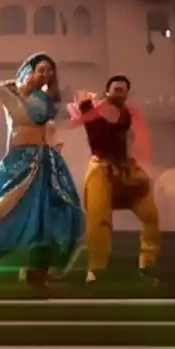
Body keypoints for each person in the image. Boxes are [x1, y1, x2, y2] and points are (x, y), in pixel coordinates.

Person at [0, 42, 85, 293]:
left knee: (48, 214)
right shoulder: (9, 91)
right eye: (41, 70)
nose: (46, 75)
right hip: (18, 161)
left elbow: (39, 120)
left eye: (50, 72)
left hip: (44, 161)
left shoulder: (45, 99)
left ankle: (38, 271)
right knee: (1, 208)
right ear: (30, 70)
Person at [65, 74, 161, 284]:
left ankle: (148, 264)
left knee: (150, 215)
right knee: (99, 218)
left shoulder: (126, 113)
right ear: (107, 91)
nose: (120, 93)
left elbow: (125, 130)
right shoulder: (93, 109)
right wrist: (85, 104)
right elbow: (83, 120)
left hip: (126, 170)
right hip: (101, 169)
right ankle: (96, 268)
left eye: (123, 90)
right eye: (116, 89)